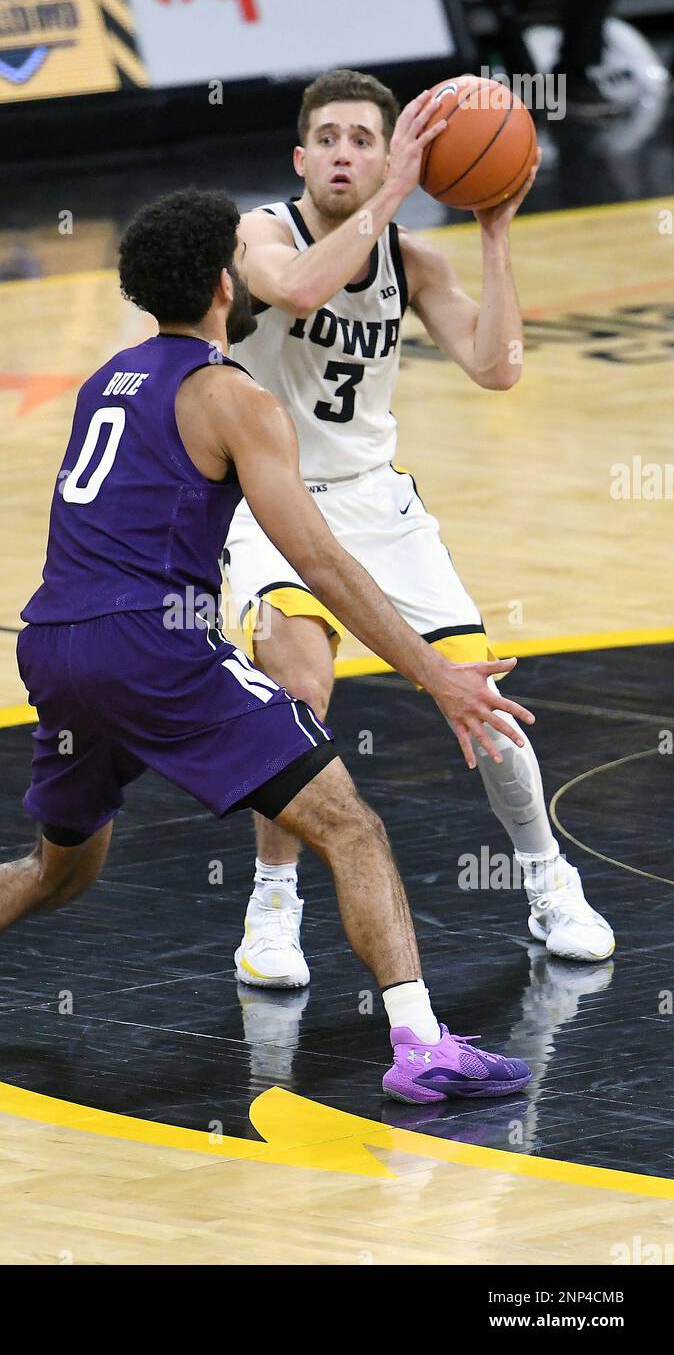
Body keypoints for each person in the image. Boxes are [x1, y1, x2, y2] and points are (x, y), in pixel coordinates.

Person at [0, 188, 534, 1103]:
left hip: (55, 643)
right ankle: (419, 1044)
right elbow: (322, 561)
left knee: (54, 871)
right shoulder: (234, 398)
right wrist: (437, 674)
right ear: (224, 284)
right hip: (151, 646)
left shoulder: (108, 379)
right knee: (351, 825)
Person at [224, 69, 614, 992]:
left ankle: (549, 882)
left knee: (483, 702)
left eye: (365, 139)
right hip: (270, 502)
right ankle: (271, 905)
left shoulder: (415, 262)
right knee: (298, 683)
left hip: (377, 505)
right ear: (300, 158)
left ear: (393, 152)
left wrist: (494, 235)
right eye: (329, 139)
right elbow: (301, 291)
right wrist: (397, 188)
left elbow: (498, 367)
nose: (345, 155)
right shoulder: (259, 234)